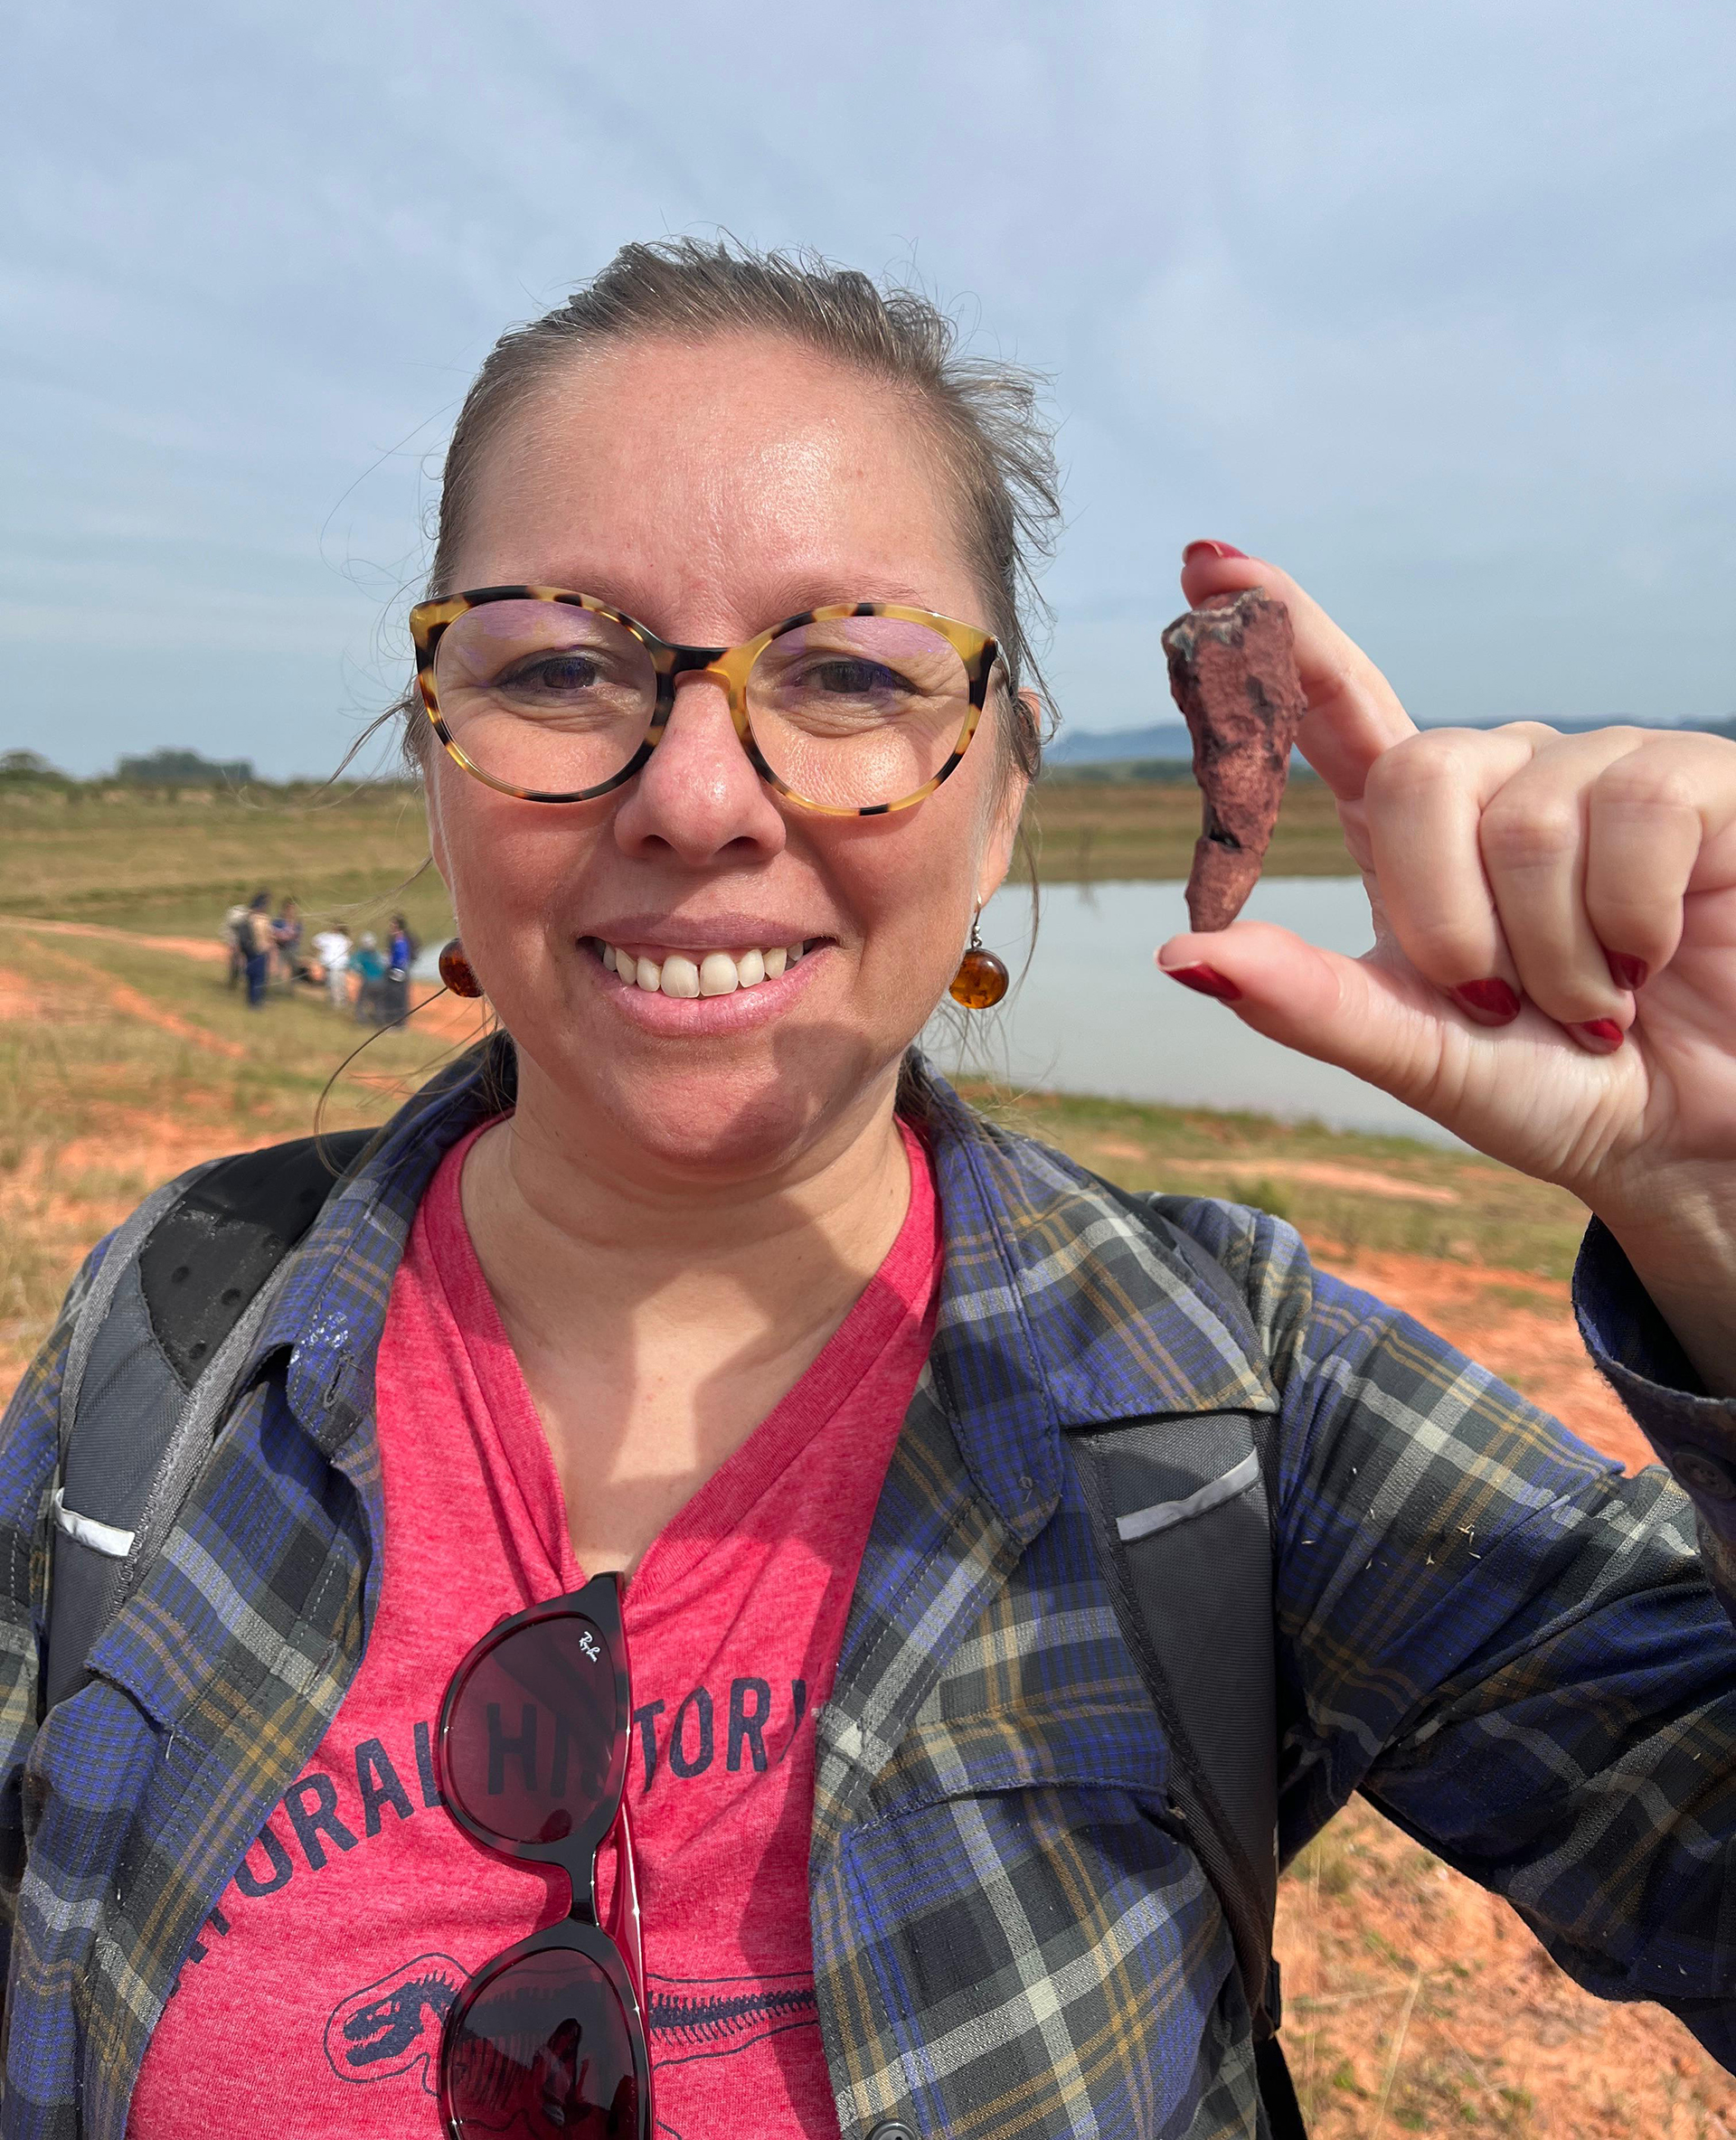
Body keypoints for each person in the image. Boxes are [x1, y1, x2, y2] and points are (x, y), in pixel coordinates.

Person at [3, 240, 1734, 2140]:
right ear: (438, 762)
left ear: (1001, 799)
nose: (696, 795)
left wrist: (1716, 1210)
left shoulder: (1218, 1391)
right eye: (564, 667)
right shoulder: (169, 1333)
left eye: (842, 672)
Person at [239, 889, 274, 1008]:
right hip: (258, 951)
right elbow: (266, 934)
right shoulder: (258, 919)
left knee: (254, 977)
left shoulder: (249, 918)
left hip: (256, 951)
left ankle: (254, 1000)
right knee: (257, 977)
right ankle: (255, 1002)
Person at [310, 918, 353, 1012]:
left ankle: (340, 1003)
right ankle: (336, 1004)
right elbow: (315, 942)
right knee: (333, 984)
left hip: (341, 965)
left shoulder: (344, 939)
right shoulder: (327, 937)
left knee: (340, 984)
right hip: (331, 966)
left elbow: (348, 949)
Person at [384, 910, 417, 1027]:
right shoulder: (394, 939)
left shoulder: (402, 940)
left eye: (393, 925)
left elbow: (403, 958)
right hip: (396, 969)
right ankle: (395, 1020)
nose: (391, 927)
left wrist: (396, 967)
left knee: (399, 997)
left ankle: (400, 1023)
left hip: (399, 971)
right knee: (394, 996)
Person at [350, 928, 386, 1023]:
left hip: (368, 981)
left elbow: (352, 964)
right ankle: (379, 1020)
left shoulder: (361, 954)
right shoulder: (377, 954)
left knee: (361, 1001)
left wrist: (360, 971)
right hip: (380, 981)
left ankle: (362, 1020)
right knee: (378, 1002)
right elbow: (384, 965)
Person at [273, 894, 303, 989]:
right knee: (279, 969)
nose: (291, 911)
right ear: (285, 909)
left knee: (294, 969)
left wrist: (294, 937)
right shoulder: (278, 921)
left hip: (293, 949)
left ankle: (291, 989)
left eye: (293, 909)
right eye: (289, 908)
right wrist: (280, 936)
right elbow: (272, 933)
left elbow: (299, 936)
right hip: (281, 949)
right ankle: (278, 988)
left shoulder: (297, 923)